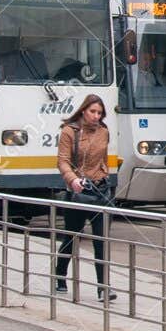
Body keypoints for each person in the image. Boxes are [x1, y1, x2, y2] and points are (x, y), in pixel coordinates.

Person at [54, 93, 117, 300]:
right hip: (79, 191)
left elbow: (103, 158)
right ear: (83, 110)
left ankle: (103, 287)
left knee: (101, 240)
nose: (96, 116)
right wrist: (73, 180)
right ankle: (60, 275)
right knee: (71, 237)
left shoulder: (104, 131)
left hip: (101, 191)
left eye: (99, 113)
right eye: (92, 111)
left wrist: (104, 174)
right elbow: (62, 160)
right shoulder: (69, 131)